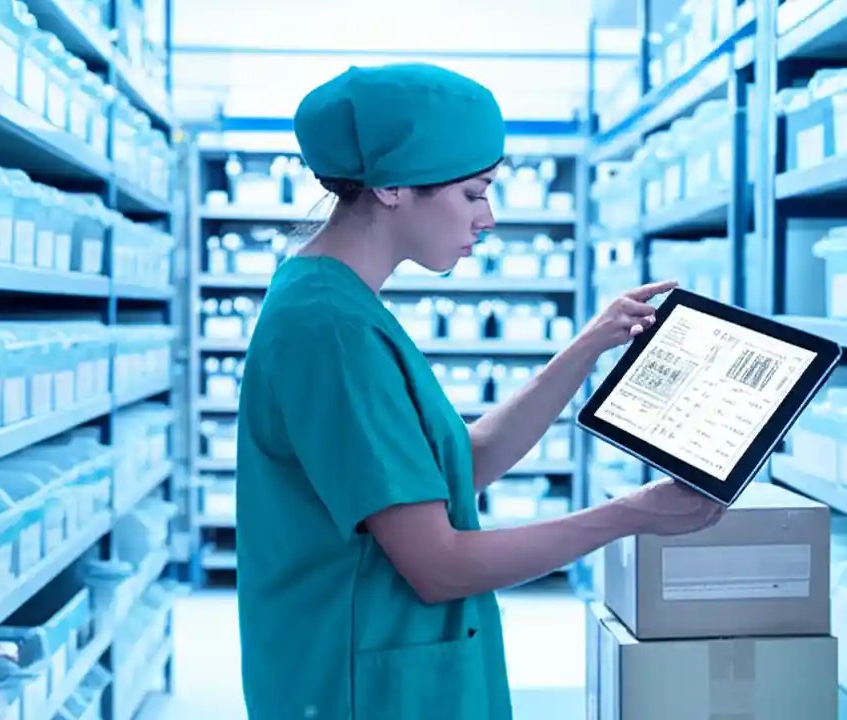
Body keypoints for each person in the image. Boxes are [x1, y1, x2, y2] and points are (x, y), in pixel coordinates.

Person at [234, 62, 724, 720]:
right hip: (366, 687)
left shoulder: (334, 299)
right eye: (474, 192)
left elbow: (462, 460)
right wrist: (630, 516)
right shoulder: (332, 330)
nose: (487, 219)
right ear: (392, 188)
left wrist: (589, 346)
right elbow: (438, 565)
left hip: (386, 668)